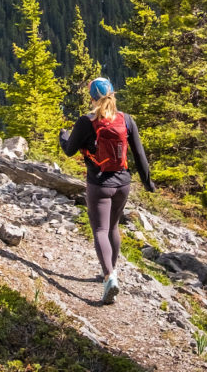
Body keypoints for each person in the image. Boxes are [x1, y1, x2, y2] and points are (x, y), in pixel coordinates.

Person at [59, 77, 152, 305]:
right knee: (113, 227)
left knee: (100, 229)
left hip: (99, 183)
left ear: (92, 98)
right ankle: (110, 271)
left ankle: (109, 276)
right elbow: (139, 155)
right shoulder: (126, 120)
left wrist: (63, 137)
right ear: (113, 95)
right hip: (122, 183)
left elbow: (70, 150)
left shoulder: (86, 122)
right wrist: (148, 183)